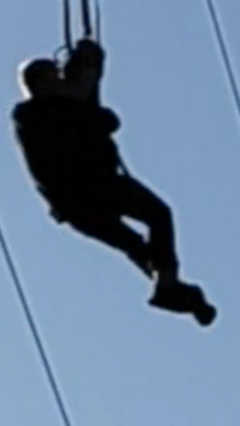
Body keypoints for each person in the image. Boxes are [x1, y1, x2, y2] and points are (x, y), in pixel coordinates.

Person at [13, 40, 216, 326]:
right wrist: (88, 63)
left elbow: (90, 108)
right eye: (53, 76)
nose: (59, 79)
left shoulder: (43, 112)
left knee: (135, 244)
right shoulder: (36, 113)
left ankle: (174, 290)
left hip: (77, 205)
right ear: (40, 83)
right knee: (158, 215)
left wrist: (85, 72)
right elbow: (97, 113)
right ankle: (168, 284)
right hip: (92, 190)